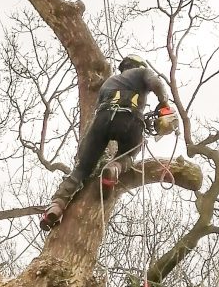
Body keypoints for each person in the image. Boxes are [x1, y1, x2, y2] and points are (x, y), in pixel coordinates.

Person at [40, 56, 174, 232]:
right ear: (139, 65)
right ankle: (113, 168)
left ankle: (56, 205)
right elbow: (156, 83)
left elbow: (99, 109)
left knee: (82, 169)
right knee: (129, 154)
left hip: (102, 120)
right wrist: (164, 103)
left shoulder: (108, 83)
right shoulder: (142, 73)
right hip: (129, 119)